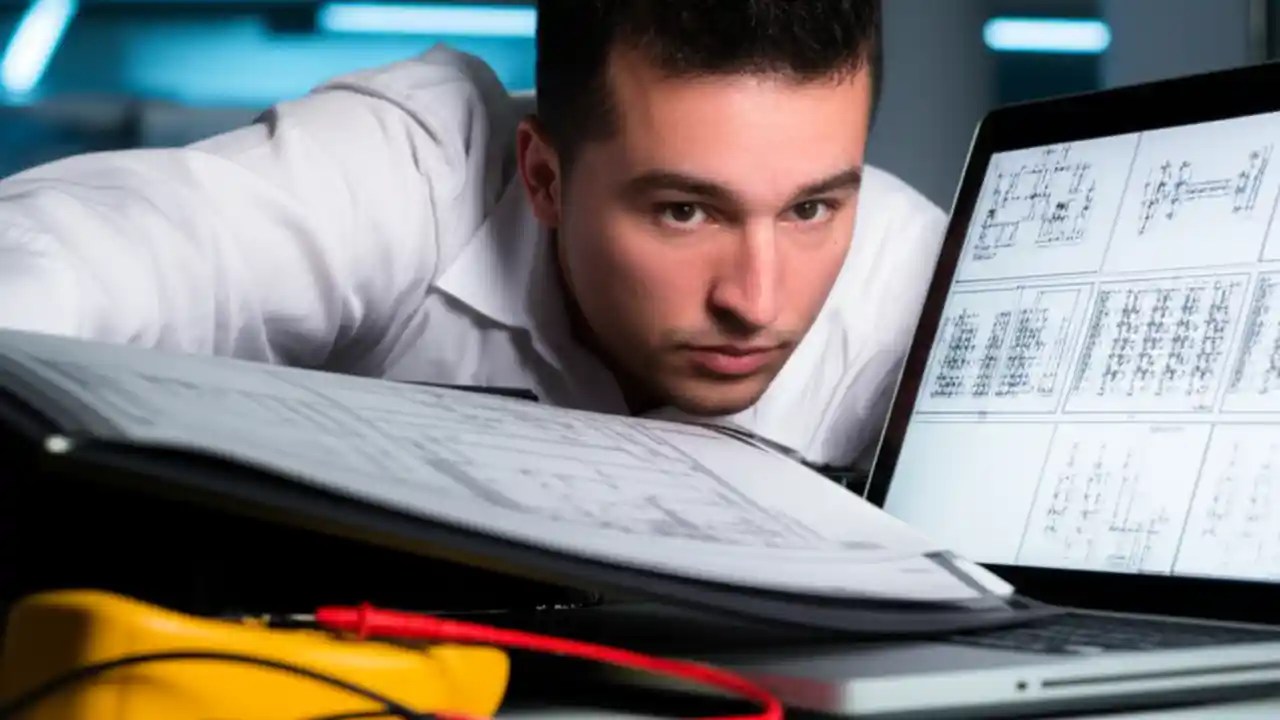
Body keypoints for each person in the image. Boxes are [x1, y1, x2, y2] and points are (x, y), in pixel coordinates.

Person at [0, 0, 945, 472]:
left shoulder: (923, 285)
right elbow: (114, 248)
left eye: (812, 208)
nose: (757, 300)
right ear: (544, 176)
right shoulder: (415, 165)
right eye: (684, 211)